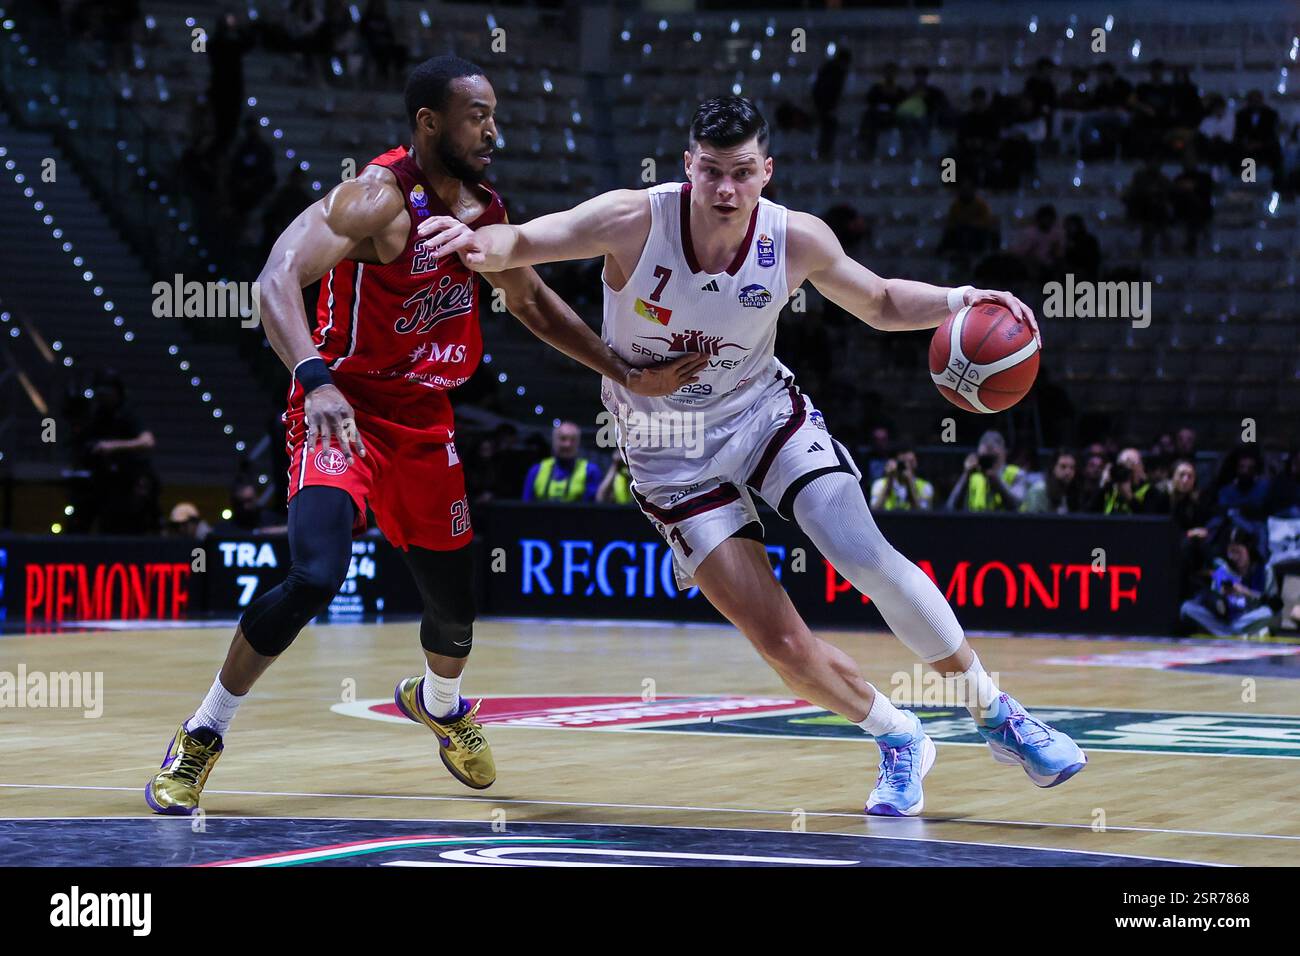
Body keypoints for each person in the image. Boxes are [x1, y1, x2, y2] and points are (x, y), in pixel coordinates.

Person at [419, 95, 1086, 816]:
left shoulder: (794, 238)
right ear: (687, 167)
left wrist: (960, 298)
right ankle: (898, 737)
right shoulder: (632, 218)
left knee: (864, 556)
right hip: (665, 452)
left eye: (742, 172)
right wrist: (482, 242)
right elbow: (526, 242)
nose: (727, 190)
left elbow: (883, 301)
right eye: (712, 172)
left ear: (767, 171)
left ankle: (999, 717)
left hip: (763, 414)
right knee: (783, 645)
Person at [145, 56, 700, 816]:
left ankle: (440, 705)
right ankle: (203, 733)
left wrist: (625, 372)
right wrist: (316, 378)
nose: (493, 129)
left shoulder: (483, 213)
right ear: (429, 123)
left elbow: (532, 302)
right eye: (477, 115)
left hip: (423, 421)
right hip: (340, 409)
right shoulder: (375, 199)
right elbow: (275, 277)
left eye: (495, 113)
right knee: (315, 574)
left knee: (453, 612)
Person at [1180, 529, 1274, 637]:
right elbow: (1216, 602)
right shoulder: (1223, 569)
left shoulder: (1265, 570)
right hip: (1227, 620)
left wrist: (1245, 592)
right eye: (1231, 552)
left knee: (1268, 611)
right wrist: (1221, 597)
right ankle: (1231, 634)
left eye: (1238, 552)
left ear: (1249, 550)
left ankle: (1231, 634)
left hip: (1248, 617)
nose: (1233, 557)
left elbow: (1271, 602)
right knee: (1187, 607)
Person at [947, 430, 1027, 513]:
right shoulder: (973, 477)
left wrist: (996, 480)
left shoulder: (1016, 474)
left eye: (993, 458)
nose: (989, 462)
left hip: (1007, 524)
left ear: (1004, 453)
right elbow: (951, 507)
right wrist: (966, 475)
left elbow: (1017, 505)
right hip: (977, 523)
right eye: (985, 458)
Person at [523, 421, 603, 503]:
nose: (567, 444)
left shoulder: (591, 471)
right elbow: (526, 507)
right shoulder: (536, 471)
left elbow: (593, 510)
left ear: (578, 443)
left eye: (573, 440)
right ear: (554, 441)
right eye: (563, 439)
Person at [869, 446, 933, 511]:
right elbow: (874, 510)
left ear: (915, 463)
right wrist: (889, 481)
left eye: (910, 462)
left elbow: (924, 514)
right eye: (902, 462)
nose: (906, 465)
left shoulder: (925, 486)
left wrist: (910, 483)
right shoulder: (880, 484)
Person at [1021, 450, 1079, 514]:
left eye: (1072, 468)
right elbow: (1032, 521)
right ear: (1053, 467)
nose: (1068, 472)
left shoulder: (1068, 491)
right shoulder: (1039, 490)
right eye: (1063, 467)